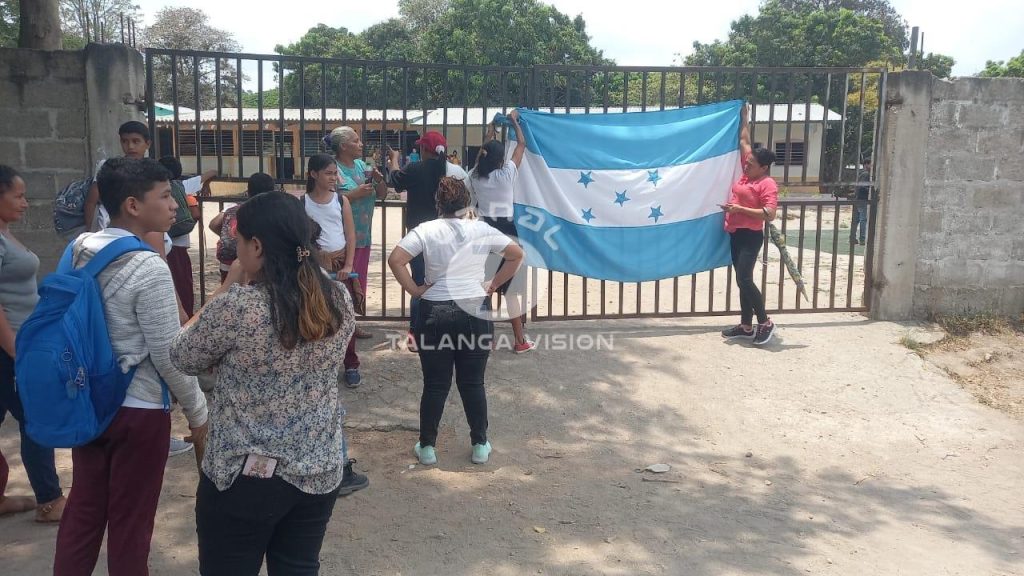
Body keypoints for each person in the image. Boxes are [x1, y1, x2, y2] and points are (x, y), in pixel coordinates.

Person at [169, 192, 355, 575]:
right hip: (317, 466)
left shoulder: (239, 306)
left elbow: (182, 355)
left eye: (238, 242)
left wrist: (227, 286)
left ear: (257, 246)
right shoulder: (337, 297)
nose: (235, 251)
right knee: (299, 567)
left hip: (245, 477)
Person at [53, 157, 208, 576]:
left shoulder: (77, 249)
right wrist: (198, 411)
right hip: (138, 411)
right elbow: (167, 353)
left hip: (87, 401)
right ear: (134, 205)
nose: (175, 204)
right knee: (131, 521)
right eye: (164, 196)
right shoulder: (148, 267)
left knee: (84, 509)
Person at [388, 177, 524, 466]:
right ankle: (479, 445)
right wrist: (492, 284)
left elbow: (395, 259)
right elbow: (516, 255)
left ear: (439, 203)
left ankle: (427, 448)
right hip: (474, 309)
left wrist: (415, 290)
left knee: (435, 385)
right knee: (473, 382)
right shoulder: (481, 229)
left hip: (434, 311)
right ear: (466, 203)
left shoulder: (425, 230)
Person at [0, 165, 66, 523]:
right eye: (19, 195)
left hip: (18, 343)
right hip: (9, 348)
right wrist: (16, 350)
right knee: (35, 418)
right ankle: (50, 500)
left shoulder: (6, 233)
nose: (26, 203)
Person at [387, 131, 468, 350]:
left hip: (420, 239)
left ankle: (416, 334)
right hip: (451, 237)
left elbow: (395, 181)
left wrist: (394, 160)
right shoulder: (457, 171)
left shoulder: (415, 169)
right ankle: (450, 331)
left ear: (424, 149)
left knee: (421, 284)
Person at [468, 110, 534, 353]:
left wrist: (491, 129)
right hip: (508, 232)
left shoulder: (475, 175)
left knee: (485, 284)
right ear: (499, 159)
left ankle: (486, 338)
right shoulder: (506, 174)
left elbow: (482, 156)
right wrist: (514, 122)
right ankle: (519, 341)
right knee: (511, 288)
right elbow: (522, 145)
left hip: (485, 233)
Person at [720, 105, 778, 346]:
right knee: (741, 278)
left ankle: (764, 322)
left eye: (751, 164)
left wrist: (740, 209)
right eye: (747, 161)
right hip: (736, 234)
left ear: (763, 168)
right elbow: (744, 139)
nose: (746, 165)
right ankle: (746, 325)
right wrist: (745, 117)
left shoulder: (767, 184)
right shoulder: (748, 170)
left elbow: (769, 214)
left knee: (744, 278)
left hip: (751, 236)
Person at [303, 153, 362, 388]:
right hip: (314, 268)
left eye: (335, 173)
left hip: (340, 267)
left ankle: (351, 364)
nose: (334, 178)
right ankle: (319, 366)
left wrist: (348, 265)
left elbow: (350, 235)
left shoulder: (341, 201)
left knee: (346, 317)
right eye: (328, 173)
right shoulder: (302, 203)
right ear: (313, 174)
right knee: (315, 317)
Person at [326, 127, 387, 340]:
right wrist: (355, 193)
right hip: (341, 237)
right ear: (343, 146)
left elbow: (381, 194)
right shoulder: (333, 169)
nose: (361, 144)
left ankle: (353, 323)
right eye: (356, 140)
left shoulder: (363, 166)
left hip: (363, 235)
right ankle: (340, 324)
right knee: (340, 282)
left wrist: (379, 180)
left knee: (358, 281)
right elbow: (329, 200)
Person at [156, 155, 216, 317]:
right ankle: (187, 317)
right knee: (183, 287)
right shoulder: (183, 185)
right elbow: (213, 171)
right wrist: (207, 184)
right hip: (179, 246)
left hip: (160, 245)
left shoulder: (154, 188)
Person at [210, 172, 275, 283]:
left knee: (227, 294)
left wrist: (234, 237)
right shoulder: (271, 210)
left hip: (229, 263)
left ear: (248, 190)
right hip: (257, 264)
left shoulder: (234, 206)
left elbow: (214, 224)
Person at [850, 158, 871, 245]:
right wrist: (870, 190)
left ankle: (852, 238)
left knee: (856, 220)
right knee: (863, 219)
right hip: (863, 199)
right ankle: (862, 239)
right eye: (870, 164)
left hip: (857, 198)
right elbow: (863, 186)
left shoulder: (860, 172)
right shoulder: (866, 174)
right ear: (866, 164)